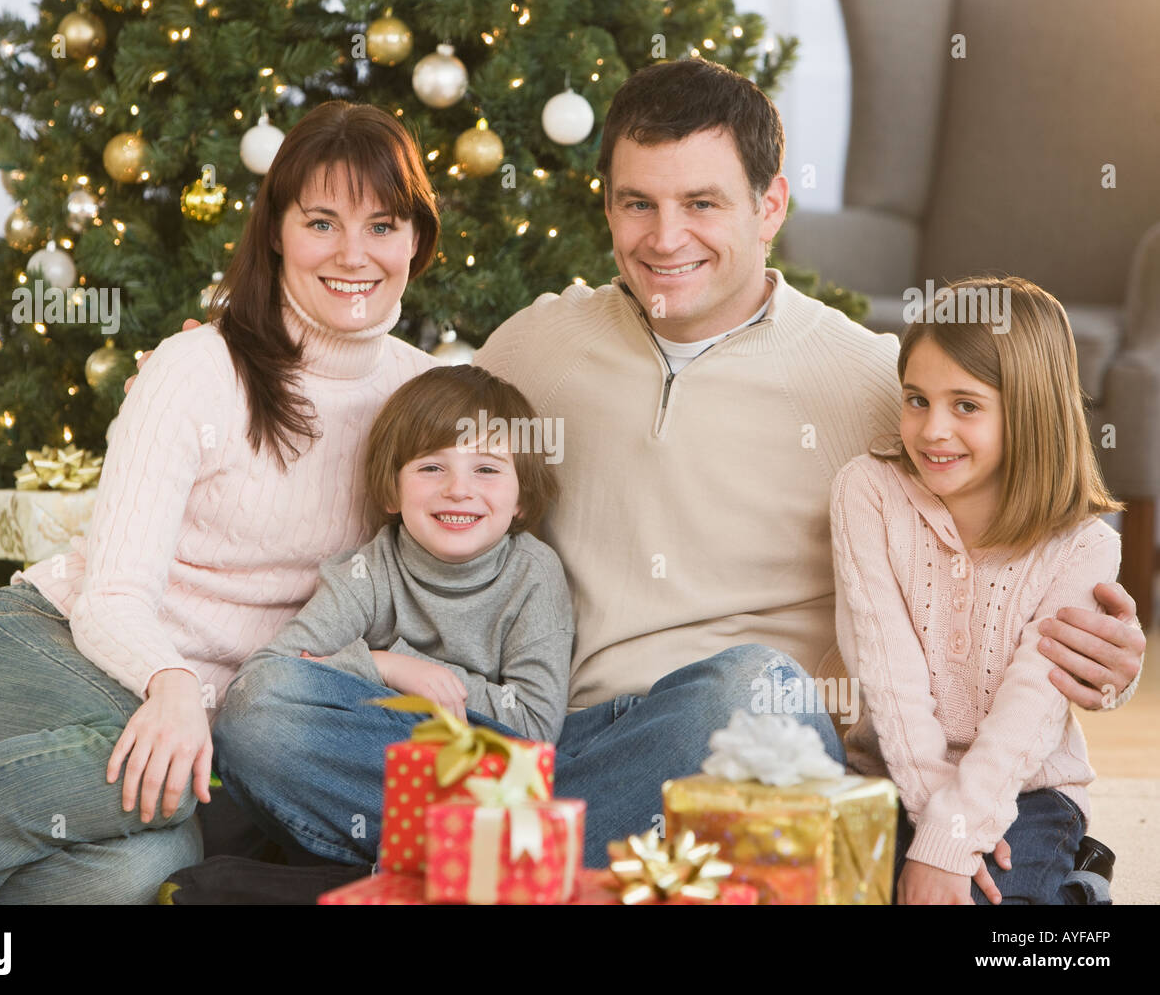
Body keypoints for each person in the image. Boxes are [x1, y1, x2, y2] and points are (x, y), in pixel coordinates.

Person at [206, 59, 1145, 873]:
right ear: (607, 204)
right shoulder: (534, 346)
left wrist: (1109, 660)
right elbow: (406, 439)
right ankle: (544, 854)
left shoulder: (873, 382)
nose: (665, 238)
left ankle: (485, 854)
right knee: (264, 709)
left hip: (745, 740)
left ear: (770, 205)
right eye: (637, 203)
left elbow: (997, 555)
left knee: (749, 687)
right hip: (546, 738)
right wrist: (233, 363)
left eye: (702, 203)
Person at [0, 100, 440, 903]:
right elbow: (114, 595)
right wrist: (171, 682)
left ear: (417, 238)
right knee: (170, 794)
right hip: (36, 654)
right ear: (276, 231)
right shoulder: (196, 368)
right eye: (321, 222)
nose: (354, 253)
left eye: (383, 225)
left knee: (146, 870)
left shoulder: (420, 395)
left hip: (198, 737)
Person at [832, 277, 1133, 905]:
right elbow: (888, 671)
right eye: (917, 399)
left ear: (1029, 411)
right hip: (889, 773)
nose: (933, 429)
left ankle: (1072, 888)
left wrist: (957, 833)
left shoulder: (1085, 545)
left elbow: (1030, 710)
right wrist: (938, 834)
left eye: (965, 406)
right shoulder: (867, 492)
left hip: (1022, 789)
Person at [217, 365, 571, 847]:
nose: (458, 489)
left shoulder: (534, 571)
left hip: (495, 765)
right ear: (391, 487)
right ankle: (467, 847)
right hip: (381, 753)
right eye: (431, 467)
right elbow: (270, 674)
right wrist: (386, 667)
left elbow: (533, 727)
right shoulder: (369, 571)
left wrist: (425, 679)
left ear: (522, 497)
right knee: (255, 715)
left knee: (669, 713)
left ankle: (439, 845)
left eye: (486, 468)